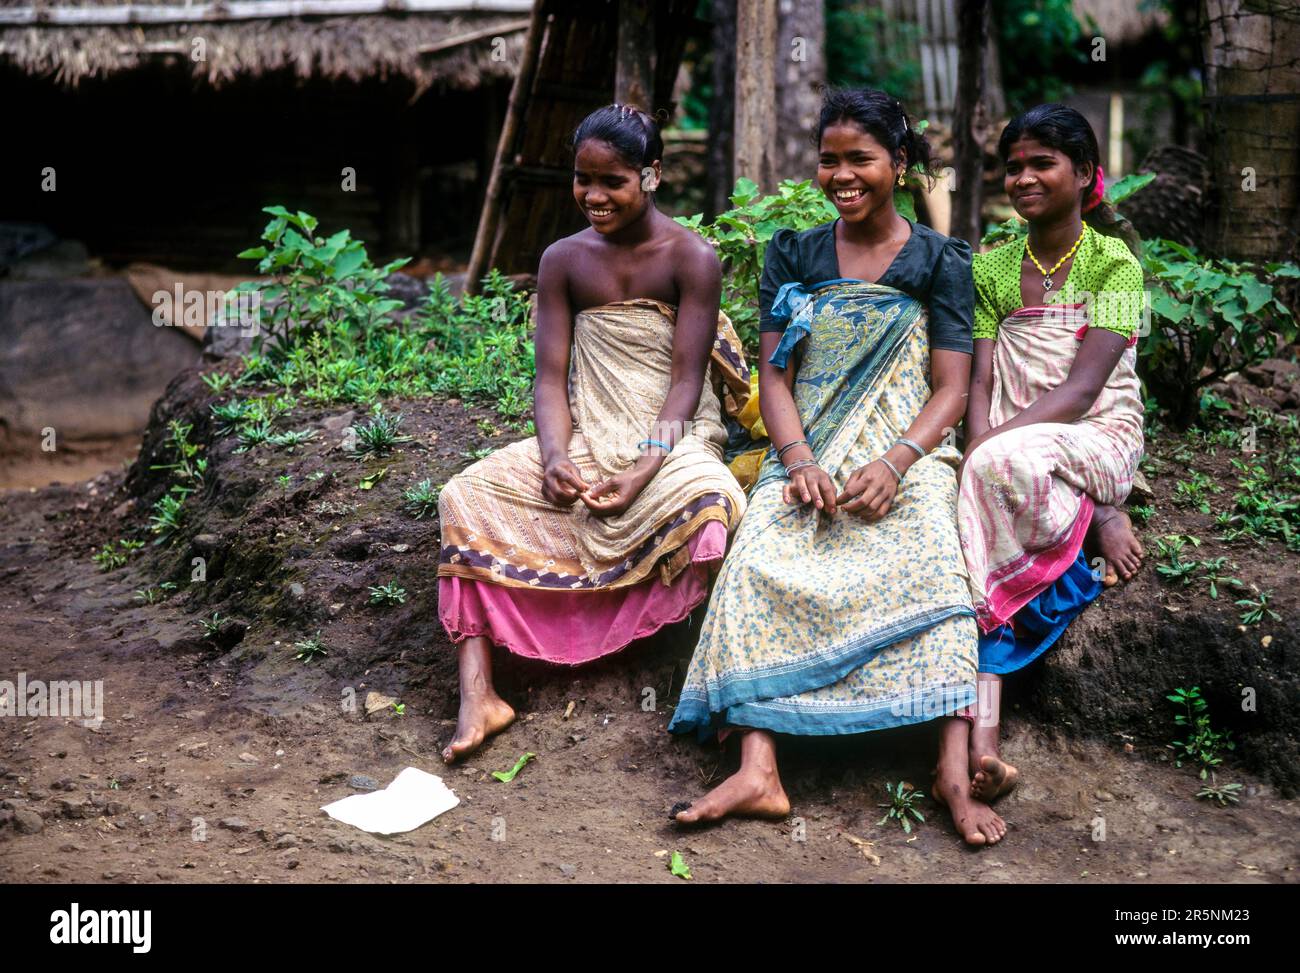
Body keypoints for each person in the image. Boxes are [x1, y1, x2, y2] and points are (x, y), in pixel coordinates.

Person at [668, 88, 1007, 846]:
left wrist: (898, 460)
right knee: (756, 558)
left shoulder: (942, 259)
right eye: (829, 159)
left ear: (901, 163)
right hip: (809, 447)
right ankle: (759, 766)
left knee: (935, 566)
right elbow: (775, 378)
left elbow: (952, 387)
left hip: (907, 450)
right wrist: (796, 460)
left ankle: (952, 767)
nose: (843, 175)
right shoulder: (793, 252)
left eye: (862, 159)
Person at [436, 104, 750, 764]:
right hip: (586, 437)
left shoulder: (691, 257)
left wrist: (644, 466)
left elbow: (686, 385)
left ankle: (700, 672)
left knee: (711, 504)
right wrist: (554, 458)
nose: (595, 196)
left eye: (613, 181)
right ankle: (478, 694)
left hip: (670, 439)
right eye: (584, 179)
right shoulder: (563, 261)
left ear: (652, 175)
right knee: (463, 496)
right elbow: (550, 381)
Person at [958, 103, 1147, 803]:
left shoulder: (1113, 264)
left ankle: (1104, 499)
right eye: (1014, 166)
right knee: (977, 502)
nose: (1024, 178)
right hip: (1012, 441)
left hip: (1094, 429)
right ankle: (983, 743)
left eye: (1043, 163)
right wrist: (981, 441)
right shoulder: (993, 269)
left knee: (1000, 471)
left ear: (1087, 174)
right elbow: (981, 380)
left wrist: (988, 449)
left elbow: (1085, 387)